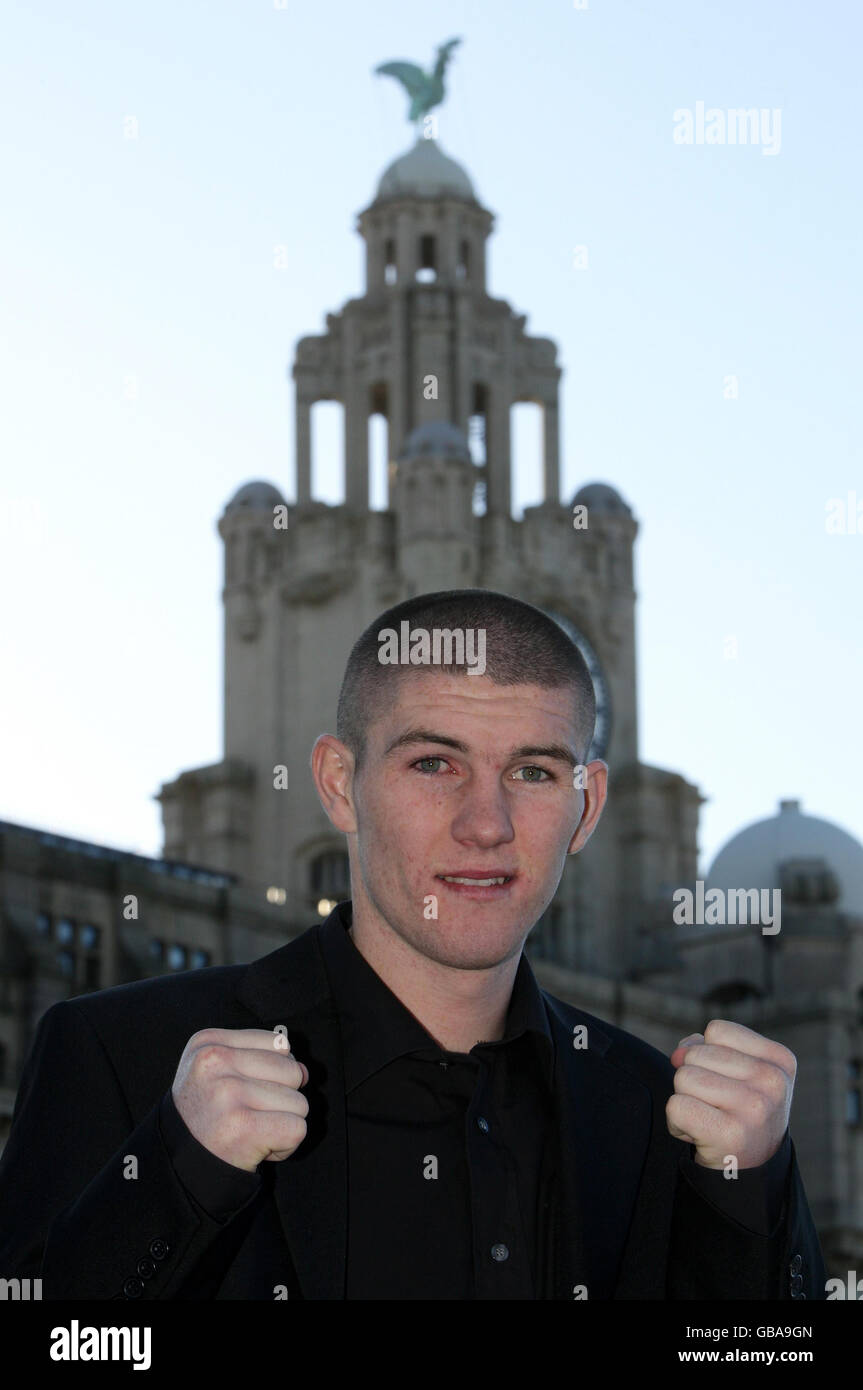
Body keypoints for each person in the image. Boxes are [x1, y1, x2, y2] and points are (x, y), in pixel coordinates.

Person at [0, 589, 825, 1299]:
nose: (486, 825)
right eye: (434, 764)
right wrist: (178, 1179)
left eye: (534, 773)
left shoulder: (660, 1116)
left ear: (587, 805)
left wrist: (747, 1191)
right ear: (338, 784)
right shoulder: (124, 1056)